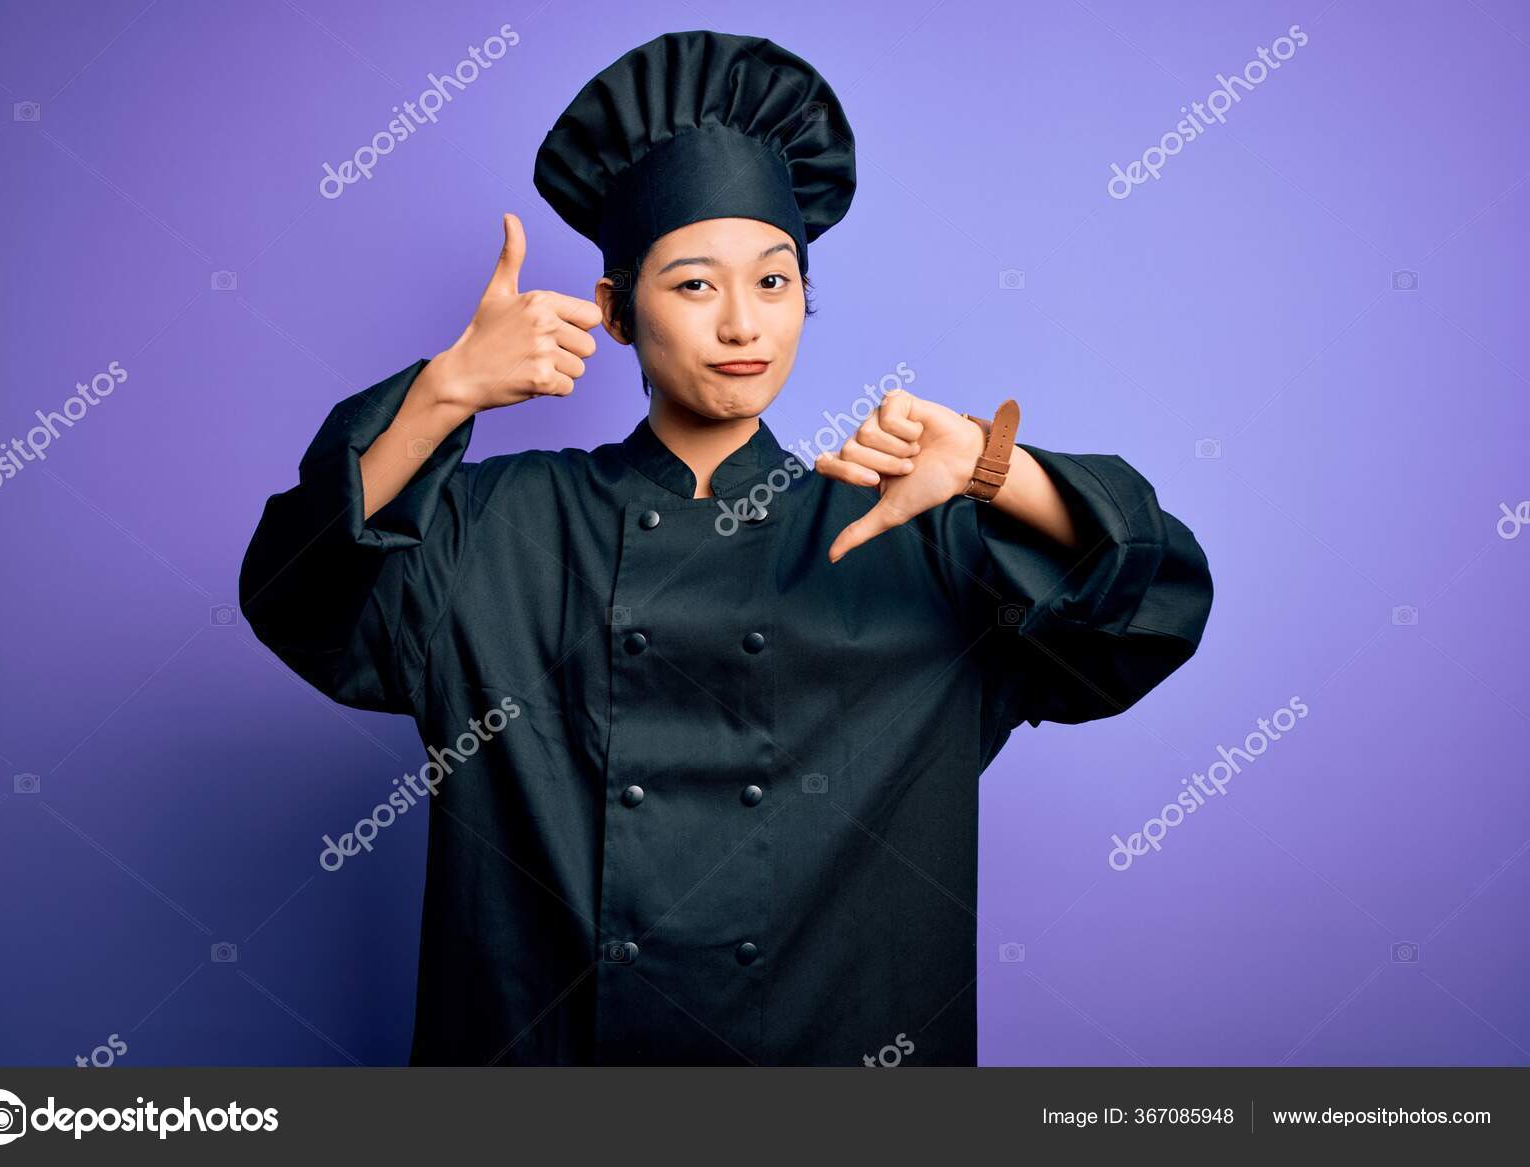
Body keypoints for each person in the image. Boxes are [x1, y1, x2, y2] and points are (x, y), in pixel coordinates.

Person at [239, 29, 1214, 1066]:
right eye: (695, 284)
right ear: (615, 313)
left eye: (775, 282)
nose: (743, 324)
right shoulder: (500, 526)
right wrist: (443, 393)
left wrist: (990, 466)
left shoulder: (903, 530)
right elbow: (300, 597)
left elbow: (1150, 607)